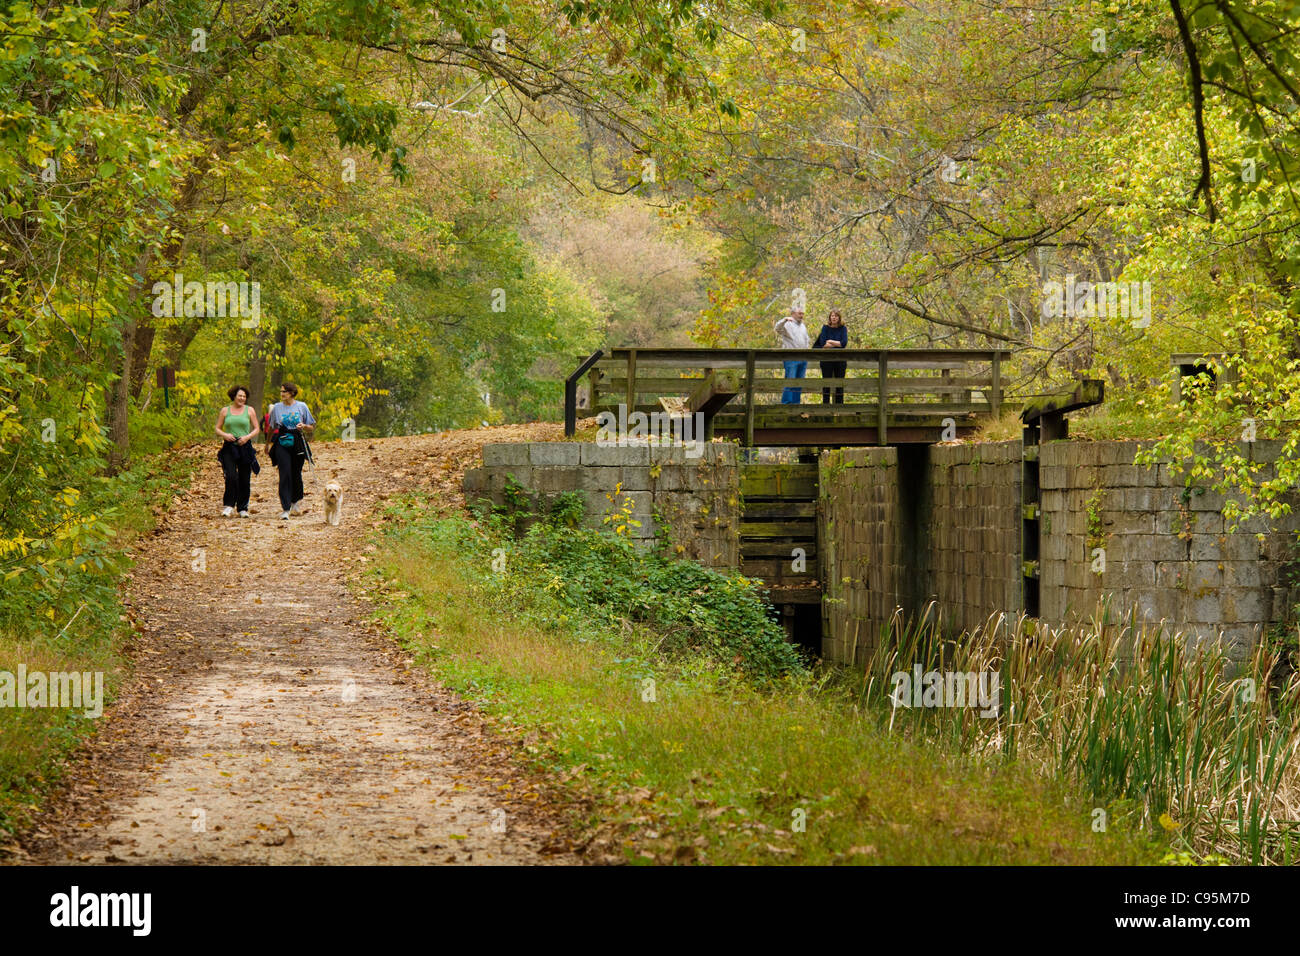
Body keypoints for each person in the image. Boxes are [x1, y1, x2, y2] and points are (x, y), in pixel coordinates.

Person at [265, 382, 316, 520]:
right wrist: (268, 443)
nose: (282, 394)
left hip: (297, 441)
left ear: (292, 393)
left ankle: (296, 501)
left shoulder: (302, 406)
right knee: (285, 472)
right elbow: (271, 427)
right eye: (281, 391)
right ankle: (286, 508)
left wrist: (304, 426)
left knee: (296, 473)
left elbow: (311, 426)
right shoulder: (276, 408)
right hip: (282, 440)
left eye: (285, 392)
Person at [214, 385, 260, 517]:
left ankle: (242, 508)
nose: (242, 398)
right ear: (234, 396)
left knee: (245, 478)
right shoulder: (225, 411)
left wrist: (247, 437)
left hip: (245, 447)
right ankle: (228, 506)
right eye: (240, 395)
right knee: (231, 476)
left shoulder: (249, 410)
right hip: (229, 447)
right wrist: (225, 435)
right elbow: (217, 428)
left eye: (244, 396)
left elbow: (257, 428)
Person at [773, 308, 809, 404]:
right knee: (790, 381)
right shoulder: (787, 324)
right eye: (799, 313)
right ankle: (787, 404)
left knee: (799, 382)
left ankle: (796, 404)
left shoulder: (803, 326)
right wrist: (785, 319)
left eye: (802, 314)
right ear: (793, 314)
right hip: (791, 358)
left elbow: (806, 341)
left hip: (803, 357)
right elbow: (777, 328)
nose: (801, 315)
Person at [814, 309, 849, 404]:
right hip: (826, 360)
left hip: (840, 360)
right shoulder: (825, 328)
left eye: (836, 316)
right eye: (832, 316)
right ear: (830, 317)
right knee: (826, 383)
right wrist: (837, 344)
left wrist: (830, 341)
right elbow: (822, 344)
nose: (834, 317)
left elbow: (844, 343)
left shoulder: (843, 328)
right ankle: (826, 405)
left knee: (840, 383)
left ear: (839, 318)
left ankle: (839, 406)